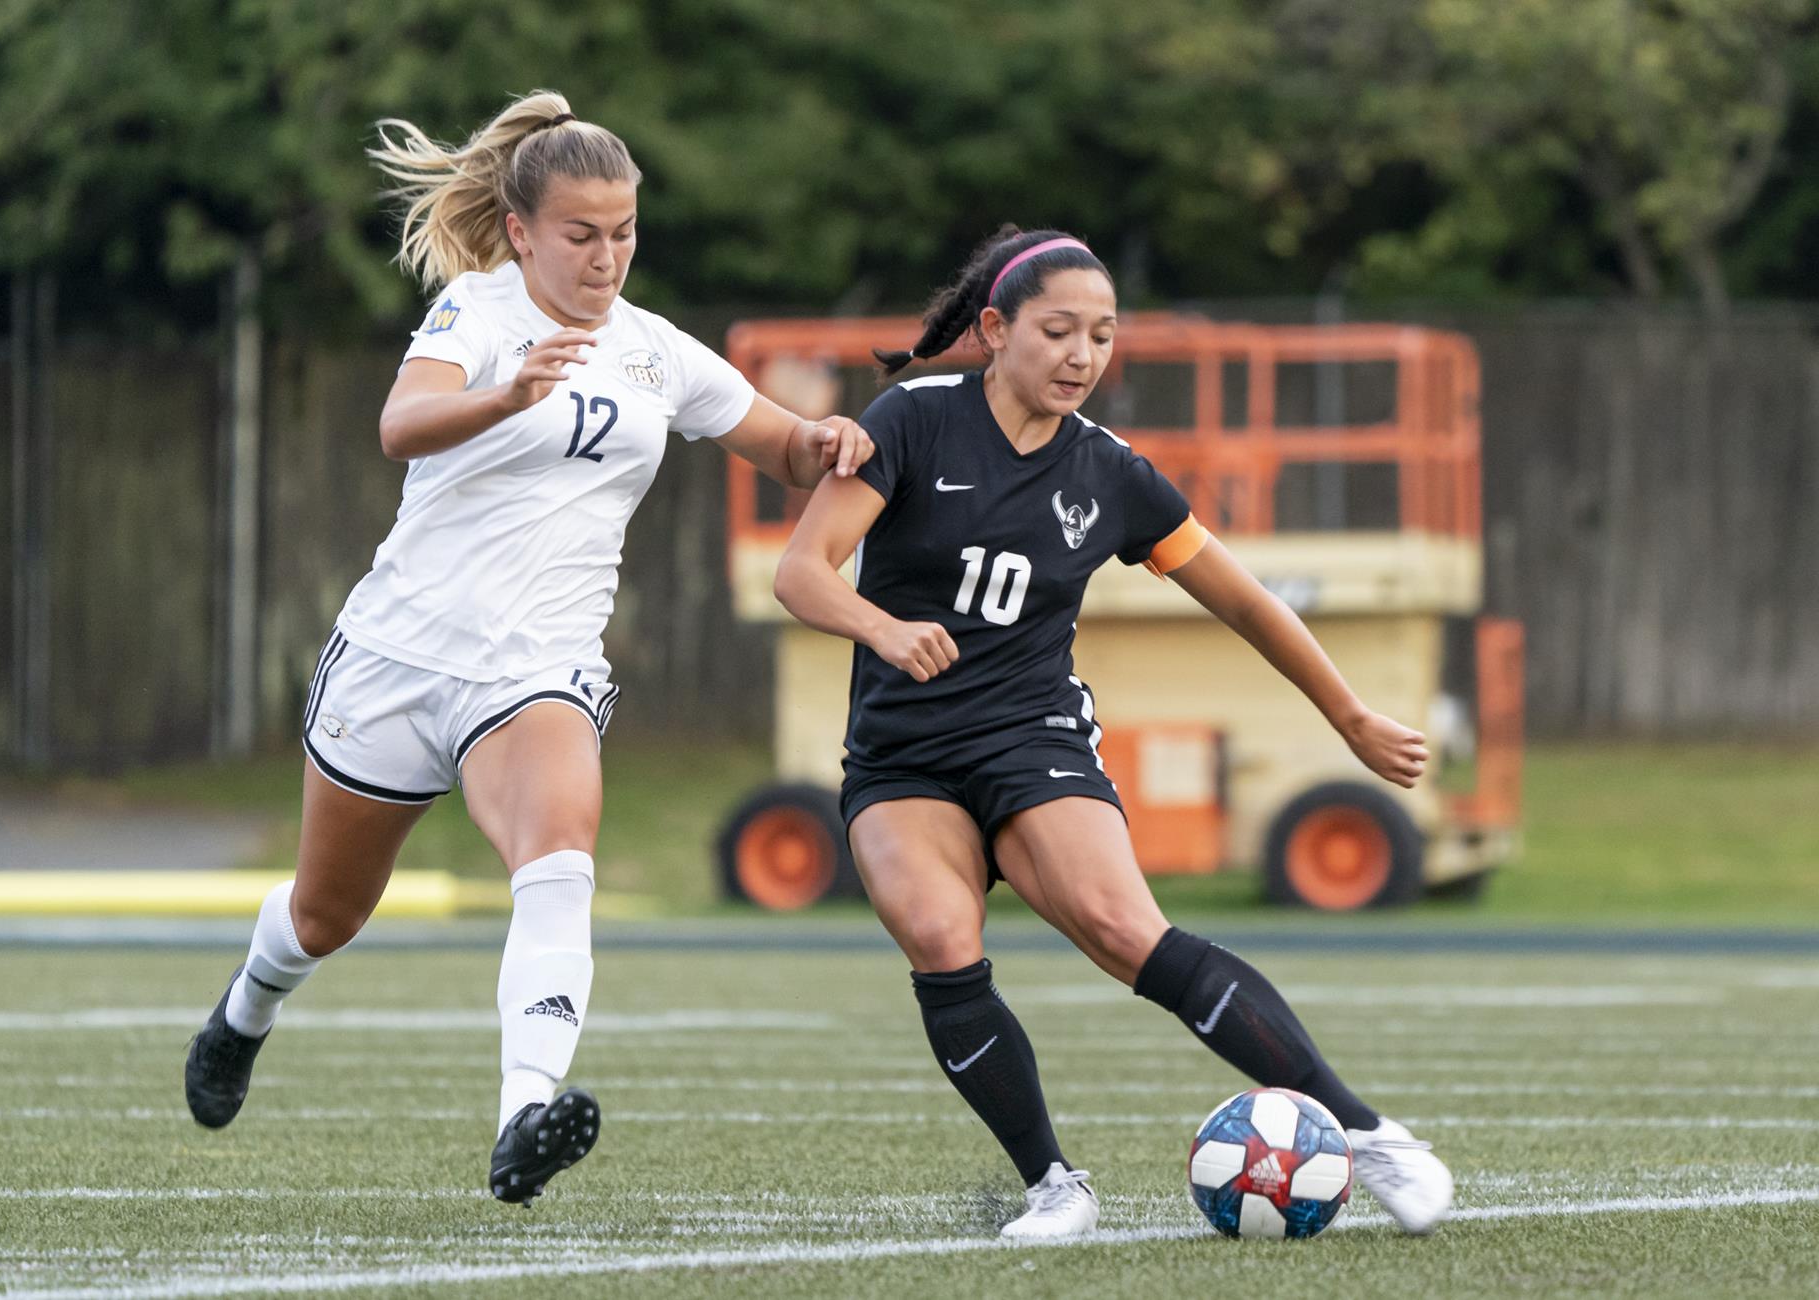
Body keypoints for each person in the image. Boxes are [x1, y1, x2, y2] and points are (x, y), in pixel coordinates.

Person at [182, 89, 873, 1208]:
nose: (607, 257)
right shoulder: (478, 311)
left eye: (624, 232)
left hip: (536, 673)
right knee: (324, 915)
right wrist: (507, 395)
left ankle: (523, 1116)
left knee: (560, 860)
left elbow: (787, 449)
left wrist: (830, 439)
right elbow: (400, 425)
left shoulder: (654, 351)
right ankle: (243, 1011)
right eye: (581, 234)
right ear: (520, 231)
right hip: (399, 658)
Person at [772, 226, 1453, 1240]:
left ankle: (1367, 1134)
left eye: (1101, 334)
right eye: (1058, 331)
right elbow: (801, 573)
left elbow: (1246, 601)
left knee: (1125, 931)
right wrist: (883, 628)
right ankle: (1054, 1185)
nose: (1081, 355)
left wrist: (1348, 713)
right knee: (939, 938)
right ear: (993, 329)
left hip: (1030, 736)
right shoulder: (911, 420)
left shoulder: (1112, 474)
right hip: (902, 754)